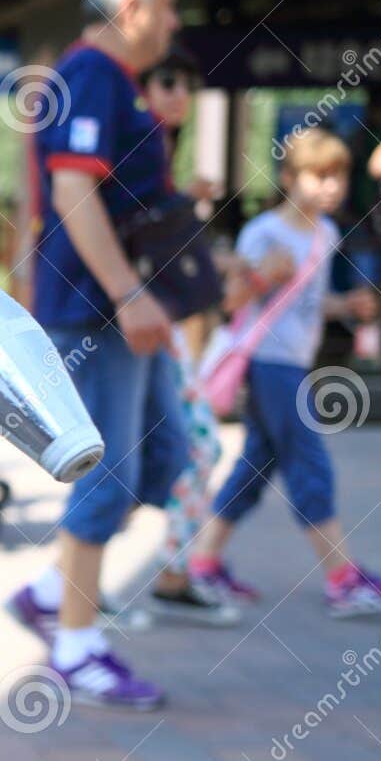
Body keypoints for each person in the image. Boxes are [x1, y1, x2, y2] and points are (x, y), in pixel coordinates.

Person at [6, 0, 188, 710]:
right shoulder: (91, 74)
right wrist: (128, 293)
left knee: (165, 455)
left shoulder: (112, 80)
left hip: (122, 310)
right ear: (134, 8)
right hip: (98, 312)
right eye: (168, 7)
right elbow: (73, 190)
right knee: (109, 475)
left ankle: (53, 590)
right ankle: (76, 649)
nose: (175, 23)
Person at [190, 128, 381, 616]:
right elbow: (230, 302)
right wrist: (262, 275)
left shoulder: (326, 233)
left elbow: (310, 303)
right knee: (309, 461)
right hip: (267, 363)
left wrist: (347, 305)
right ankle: (341, 576)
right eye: (319, 176)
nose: (331, 186)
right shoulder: (263, 232)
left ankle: (202, 562)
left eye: (338, 176)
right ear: (289, 177)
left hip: (294, 360)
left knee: (255, 467)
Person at [132, 45, 239, 626]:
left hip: (153, 322)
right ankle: (68, 586)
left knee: (180, 448)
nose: (179, 94)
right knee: (165, 450)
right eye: (167, 81)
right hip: (124, 323)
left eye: (186, 85)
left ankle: (169, 572)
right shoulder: (134, 148)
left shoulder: (160, 151)